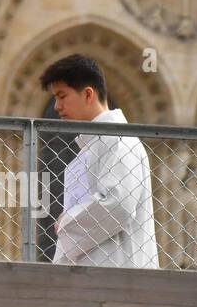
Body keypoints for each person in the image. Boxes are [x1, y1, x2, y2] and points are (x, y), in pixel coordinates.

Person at [41, 53, 158, 269]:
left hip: (118, 276)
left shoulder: (119, 140)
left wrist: (66, 224)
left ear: (87, 94)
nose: (57, 106)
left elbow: (118, 205)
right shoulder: (97, 144)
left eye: (62, 96)